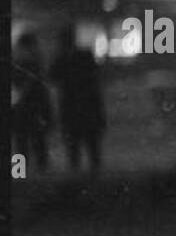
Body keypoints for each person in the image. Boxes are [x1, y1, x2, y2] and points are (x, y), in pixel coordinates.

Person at [48, 23, 106, 175]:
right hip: (86, 106)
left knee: (75, 146)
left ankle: (78, 177)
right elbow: (94, 77)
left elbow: (53, 77)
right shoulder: (84, 55)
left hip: (72, 107)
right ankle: (92, 175)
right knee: (90, 144)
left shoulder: (62, 59)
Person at [11, 29, 53, 174]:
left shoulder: (16, 63)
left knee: (21, 141)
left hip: (20, 107)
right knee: (38, 140)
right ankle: (41, 171)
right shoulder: (37, 63)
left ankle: (19, 172)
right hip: (35, 107)